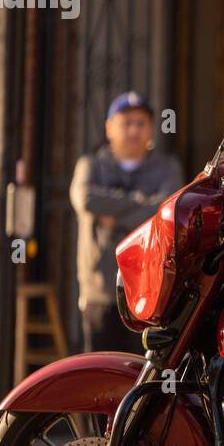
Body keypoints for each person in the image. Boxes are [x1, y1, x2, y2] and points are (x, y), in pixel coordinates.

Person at [69, 92, 183, 352]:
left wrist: (113, 214)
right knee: (100, 374)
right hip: (101, 289)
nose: (133, 130)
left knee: (141, 372)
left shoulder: (167, 167)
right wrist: (144, 207)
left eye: (141, 123)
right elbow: (86, 199)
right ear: (109, 128)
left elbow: (168, 208)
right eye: (126, 122)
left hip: (150, 292)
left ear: (151, 129)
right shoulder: (91, 165)